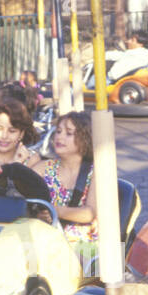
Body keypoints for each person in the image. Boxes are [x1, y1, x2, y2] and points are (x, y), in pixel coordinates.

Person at [41, 112, 98, 272]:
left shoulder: (96, 171)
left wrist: (55, 210)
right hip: (49, 236)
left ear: (85, 138)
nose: (59, 137)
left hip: (85, 242)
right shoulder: (44, 167)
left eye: (68, 133)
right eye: (58, 131)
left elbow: (88, 214)